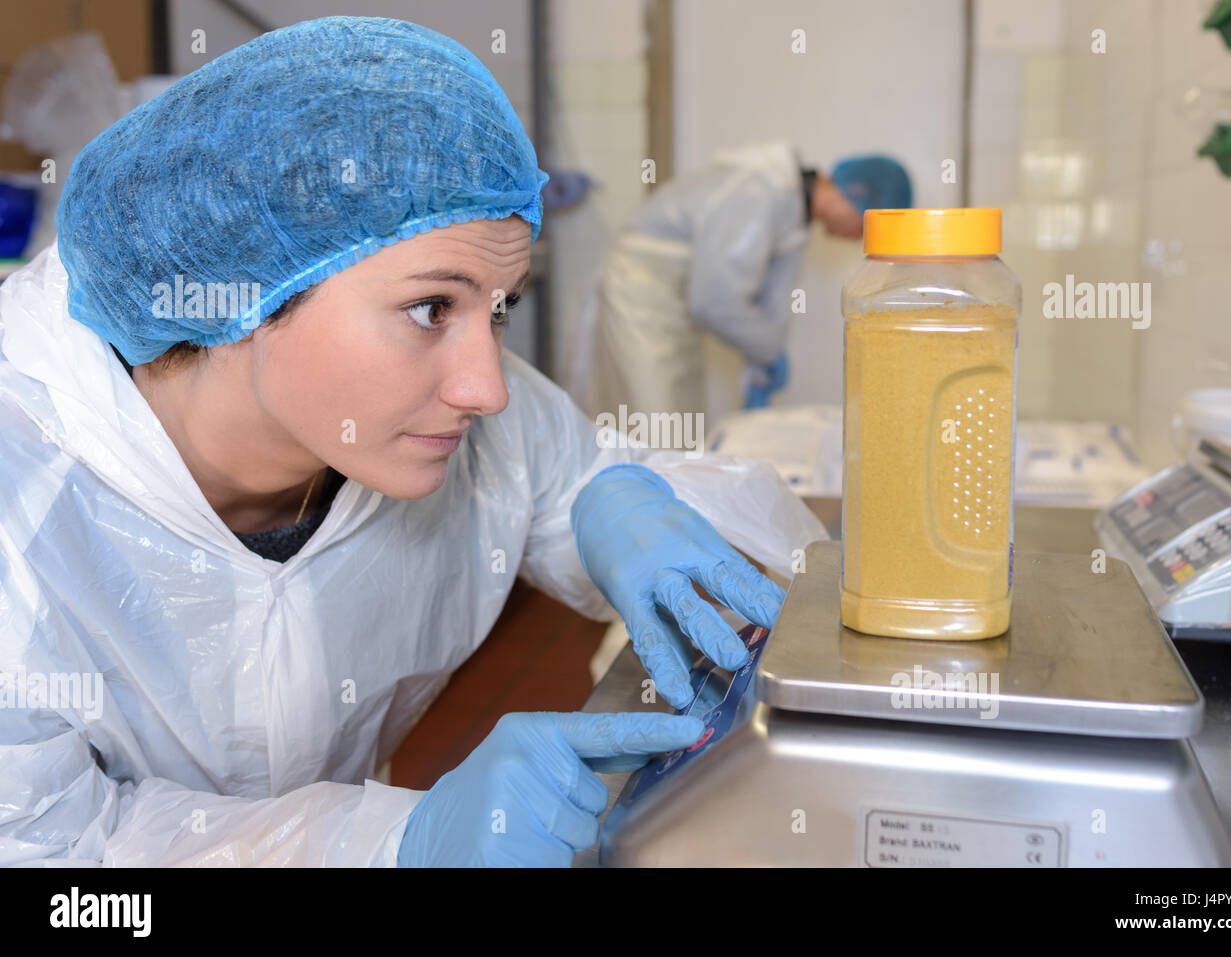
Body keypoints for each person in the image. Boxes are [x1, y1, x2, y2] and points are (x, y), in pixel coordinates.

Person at [0, 17, 826, 867]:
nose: (487, 389)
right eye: (432, 307)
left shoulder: (461, 426)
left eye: (500, 309)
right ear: (241, 289)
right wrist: (391, 843)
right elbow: (53, 858)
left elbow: (573, 478)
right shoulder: (21, 519)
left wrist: (613, 502)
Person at [584, 143, 911, 418]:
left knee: (678, 422)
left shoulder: (793, 215)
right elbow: (715, 302)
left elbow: (770, 303)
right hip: (641, 292)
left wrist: (762, 363)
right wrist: (768, 352)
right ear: (856, 194)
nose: (858, 238)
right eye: (866, 226)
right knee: (656, 423)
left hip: (674, 301)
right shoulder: (761, 192)